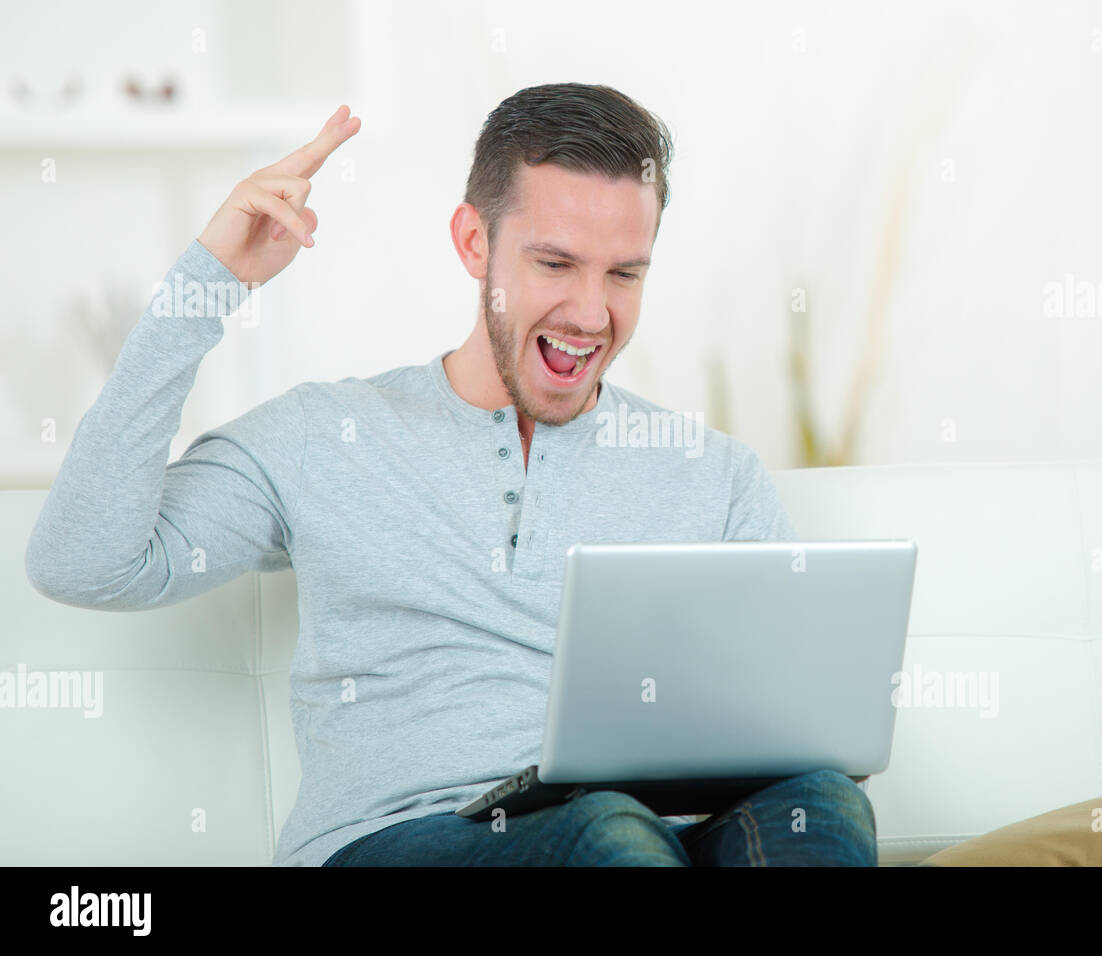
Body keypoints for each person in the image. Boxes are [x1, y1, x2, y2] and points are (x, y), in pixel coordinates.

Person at [25, 84, 876, 866]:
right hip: (401, 840)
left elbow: (788, 729)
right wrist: (203, 288)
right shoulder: (325, 434)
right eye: (555, 263)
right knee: (611, 833)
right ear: (475, 243)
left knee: (821, 806)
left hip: (656, 836)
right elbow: (86, 560)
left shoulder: (714, 473)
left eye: (623, 273)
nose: (590, 313)